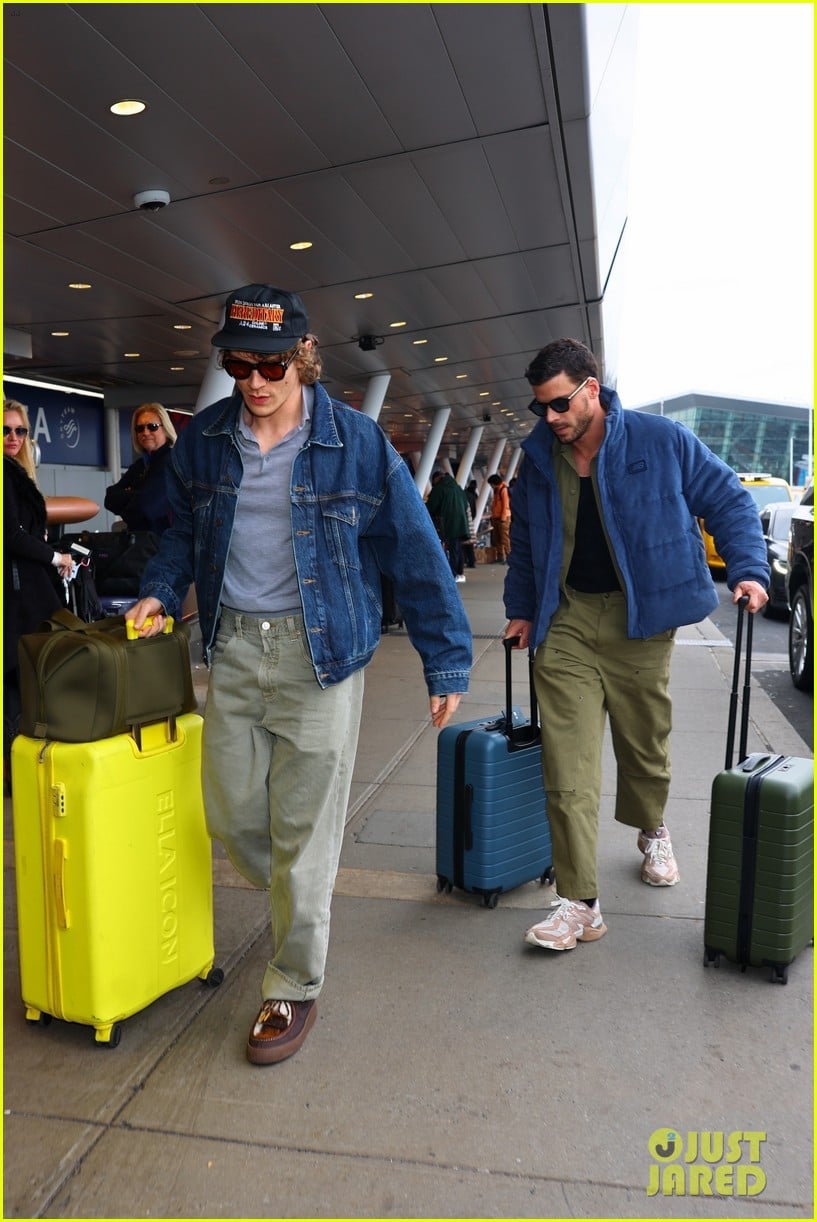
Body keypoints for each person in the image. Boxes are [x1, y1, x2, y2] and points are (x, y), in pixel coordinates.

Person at [126, 285, 472, 1064]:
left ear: (303, 360)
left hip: (323, 656)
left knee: (307, 834)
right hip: (235, 649)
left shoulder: (354, 443)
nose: (254, 381)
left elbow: (412, 551)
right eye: (239, 363)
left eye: (271, 365)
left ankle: (292, 984)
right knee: (233, 814)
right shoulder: (206, 441)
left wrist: (443, 656)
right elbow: (183, 530)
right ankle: (291, 891)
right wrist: (156, 589)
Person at [503, 338, 769, 952]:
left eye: (561, 404)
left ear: (592, 390)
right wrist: (521, 610)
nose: (552, 418)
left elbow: (727, 499)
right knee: (566, 763)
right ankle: (579, 902)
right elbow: (525, 543)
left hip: (641, 622)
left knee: (642, 744)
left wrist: (750, 569)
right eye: (542, 407)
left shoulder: (660, 441)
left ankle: (651, 828)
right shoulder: (539, 457)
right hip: (566, 620)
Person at [3, 400, 74, 769]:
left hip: (23, 589)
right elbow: (10, 535)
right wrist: (54, 558)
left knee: (21, 679)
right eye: (5, 430)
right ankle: (17, 768)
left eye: (20, 430)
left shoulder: (17, 473)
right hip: (15, 595)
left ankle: (20, 765)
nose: (13, 437)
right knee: (17, 678)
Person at [104, 402, 178, 535]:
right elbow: (109, 499)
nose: (146, 432)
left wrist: (132, 494)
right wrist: (137, 495)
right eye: (140, 428)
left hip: (165, 545)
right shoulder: (140, 465)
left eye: (152, 427)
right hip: (141, 542)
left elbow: (146, 507)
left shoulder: (171, 461)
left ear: (165, 429)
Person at [425, 470, 470, 582]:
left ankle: (452, 573)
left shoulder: (439, 489)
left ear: (436, 479)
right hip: (461, 522)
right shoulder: (458, 488)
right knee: (457, 548)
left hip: (447, 523)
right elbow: (465, 504)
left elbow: (431, 507)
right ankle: (459, 572)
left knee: (450, 549)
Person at [488, 473, 511, 562]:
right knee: (497, 538)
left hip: (503, 518)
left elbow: (505, 505)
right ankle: (500, 557)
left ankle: (509, 556)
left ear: (494, 483)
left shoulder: (503, 490)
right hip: (496, 517)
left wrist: (503, 518)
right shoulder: (496, 490)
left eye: (491, 484)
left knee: (505, 538)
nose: (491, 486)